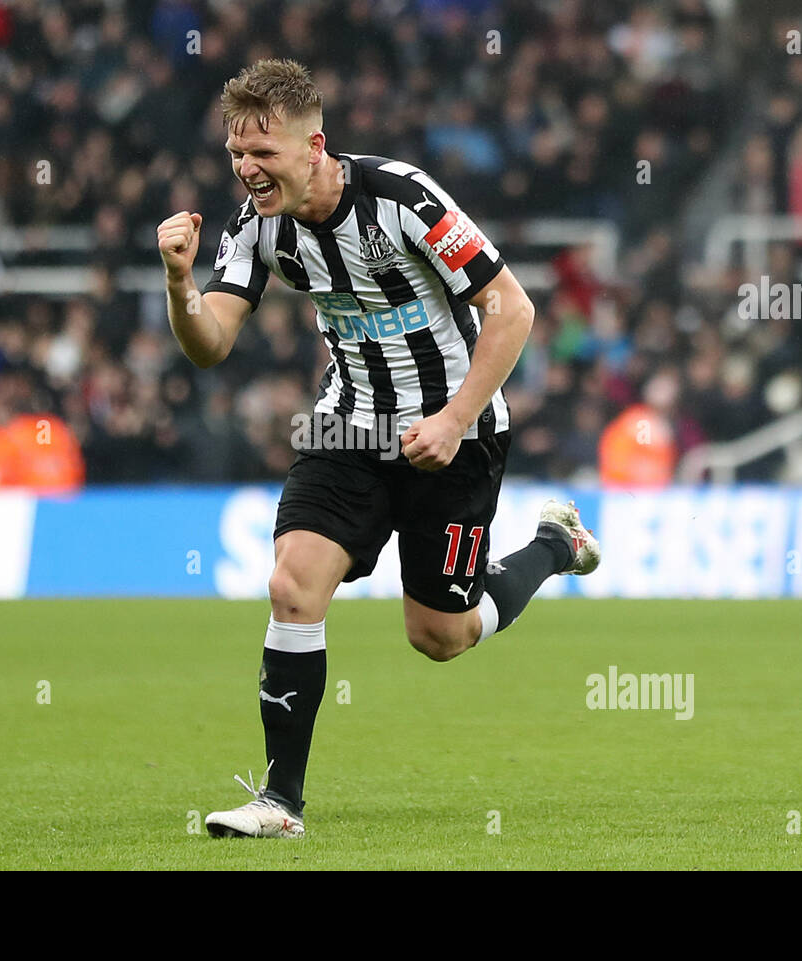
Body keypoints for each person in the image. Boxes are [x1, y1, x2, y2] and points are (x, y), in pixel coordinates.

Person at [156, 59, 600, 839]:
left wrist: (456, 418)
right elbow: (210, 344)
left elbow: (512, 307)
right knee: (293, 585)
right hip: (347, 426)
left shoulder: (402, 198)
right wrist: (177, 285)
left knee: (441, 636)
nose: (248, 170)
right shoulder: (255, 225)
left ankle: (554, 545)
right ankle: (279, 802)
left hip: (454, 434)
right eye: (237, 155)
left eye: (264, 154)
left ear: (313, 144)